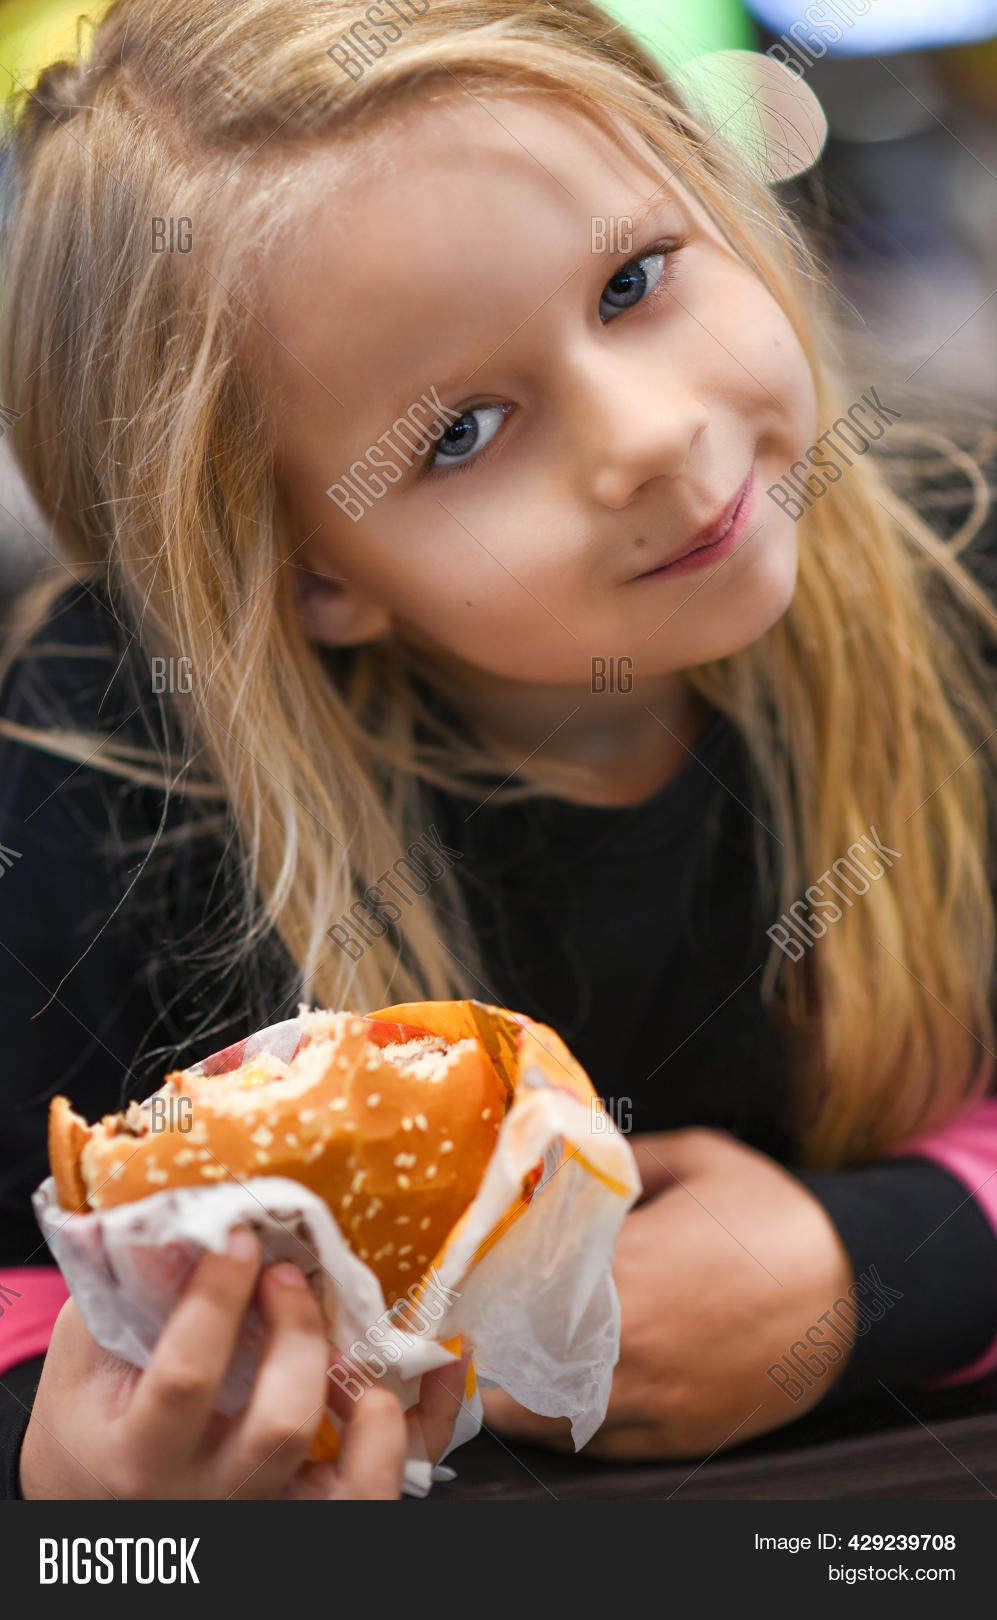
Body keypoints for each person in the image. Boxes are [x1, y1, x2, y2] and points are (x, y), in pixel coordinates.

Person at [2, 0, 997, 1497]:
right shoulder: (102, 781)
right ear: (309, 575)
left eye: (632, 281)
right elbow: (31, 1309)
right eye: (460, 430)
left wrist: (885, 1261)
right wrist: (71, 1490)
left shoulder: (962, 569)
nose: (651, 439)